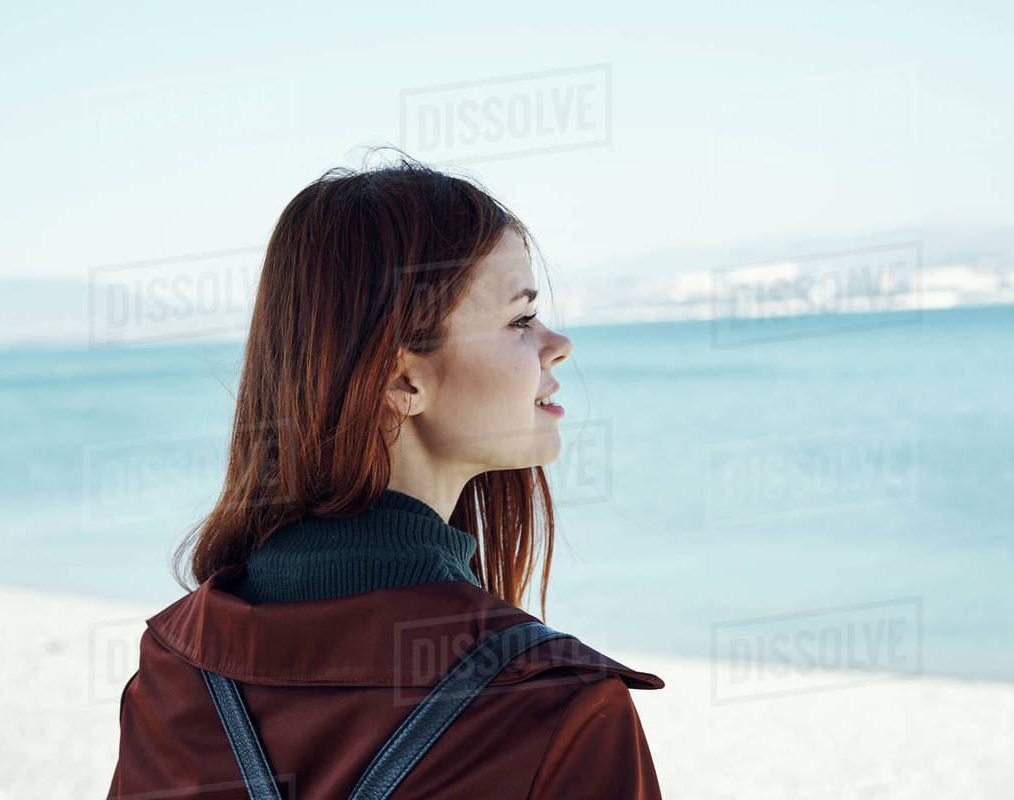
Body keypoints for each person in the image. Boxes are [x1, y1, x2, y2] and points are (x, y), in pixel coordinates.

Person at [106, 151, 665, 799]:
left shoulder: (173, 676)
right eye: (519, 319)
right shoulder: (559, 713)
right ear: (403, 378)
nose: (556, 342)